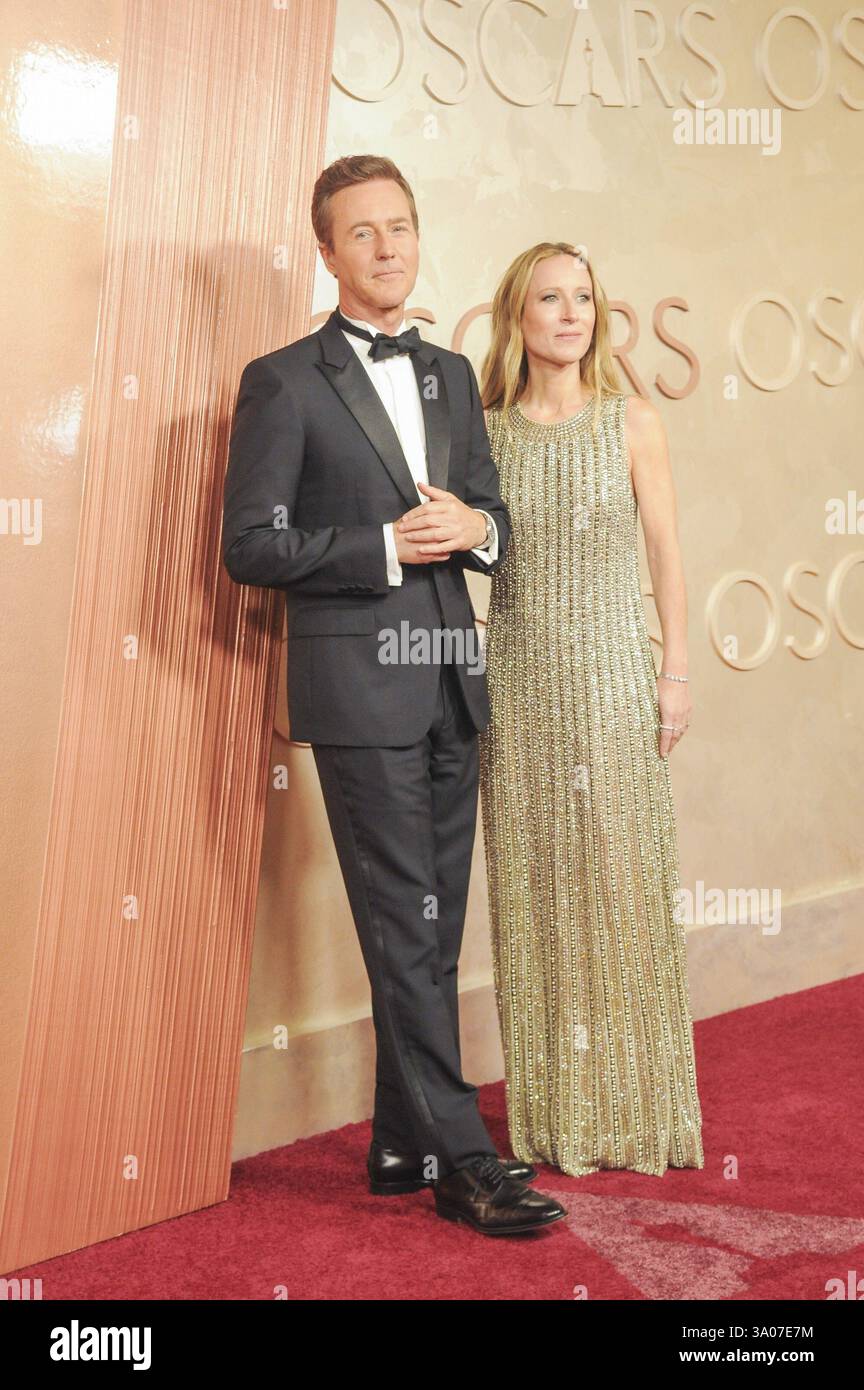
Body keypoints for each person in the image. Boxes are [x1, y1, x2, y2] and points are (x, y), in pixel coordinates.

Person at [222, 155, 567, 1235]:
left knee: (429, 927)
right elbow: (249, 546)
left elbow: (497, 523)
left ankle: (398, 1141)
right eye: (361, 232)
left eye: (401, 226)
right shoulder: (281, 380)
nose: (387, 247)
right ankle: (463, 1161)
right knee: (404, 930)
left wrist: (480, 530)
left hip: (452, 692)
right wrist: (378, 545)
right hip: (359, 695)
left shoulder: (452, 374)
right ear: (325, 251)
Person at [477, 241, 705, 1177]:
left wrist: (675, 670)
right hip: (520, 688)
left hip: (613, 679)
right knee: (534, 891)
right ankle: (556, 1121)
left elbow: (667, 553)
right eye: (550, 299)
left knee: (619, 885)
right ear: (517, 318)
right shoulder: (484, 434)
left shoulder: (631, 421)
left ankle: (636, 1108)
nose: (571, 314)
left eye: (584, 298)